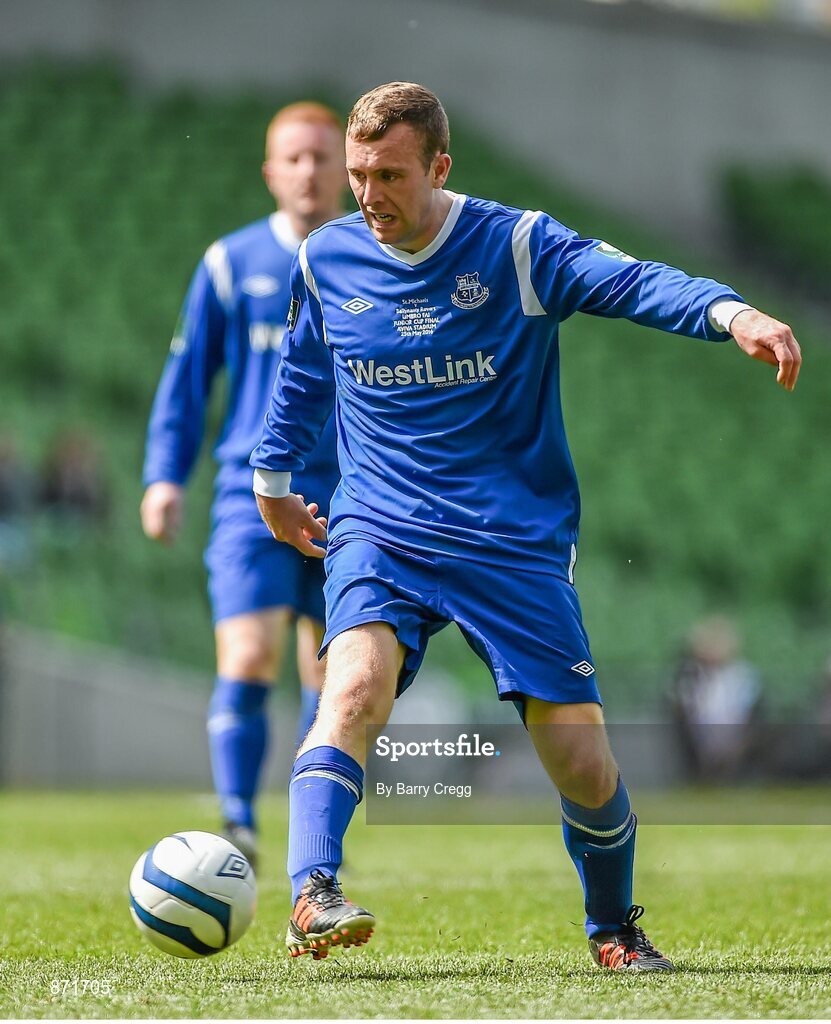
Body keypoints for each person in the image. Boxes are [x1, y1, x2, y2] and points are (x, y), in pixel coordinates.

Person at [250, 82, 802, 970]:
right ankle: (312, 891)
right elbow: (305, 375)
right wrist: (272, 479)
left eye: (390, 175)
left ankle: (612, 928)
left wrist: (729, 312)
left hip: (507, 540)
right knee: (349, 691)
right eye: (358, 175)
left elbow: (633, 280)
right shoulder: (327, 258)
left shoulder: (516, 246)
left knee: (581, 762)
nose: (368, 194)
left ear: (439, 166)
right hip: (381, 527)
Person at [141, 102, 346, 867]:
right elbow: (187, 379)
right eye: (294, 157)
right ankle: (238, 824)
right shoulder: (231, 262)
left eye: (321, 157)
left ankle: (312, 836)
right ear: (270, 171)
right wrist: (164, 477)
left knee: (332, 676)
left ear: (346, 171)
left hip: (350, 496)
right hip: (249, 493)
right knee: (250, 655)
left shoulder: (373, 260)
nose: (308, 171)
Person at [670, 616, 763, 781]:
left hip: (738, 747)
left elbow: (754, 717)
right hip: (699, 749)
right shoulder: (690, 676)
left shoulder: (744, 676)